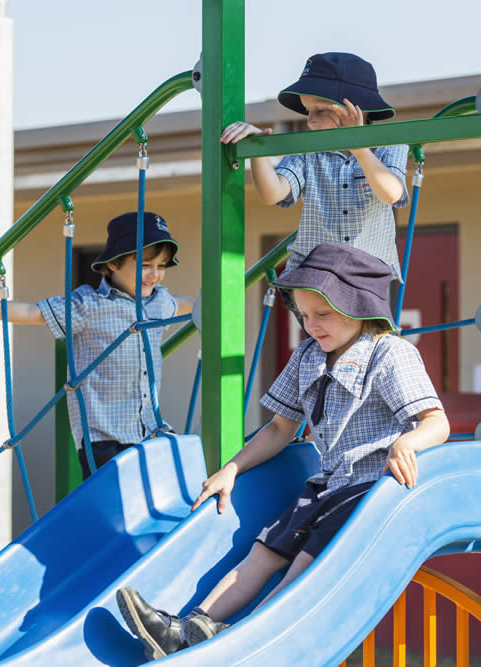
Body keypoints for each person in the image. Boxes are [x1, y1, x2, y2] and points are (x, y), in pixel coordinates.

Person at [115, 242, 449, 659]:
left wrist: (406, 441)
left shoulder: (389, 354)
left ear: (359, 307)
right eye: (305, 316)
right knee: (265, 549)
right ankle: (190, 630)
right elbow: (279, 428)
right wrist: (233, 468)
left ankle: (256, 639)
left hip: (369, 490)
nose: (311, 326)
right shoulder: (309, 355)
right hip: (326, 487)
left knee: (305, 560)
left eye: (322, 315)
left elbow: (436, 423)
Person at [0, 211, 195, 479]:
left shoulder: (159, 302)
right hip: (104, 440)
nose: (154, 275)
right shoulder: (89, 305)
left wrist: (207, 305)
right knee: (114, 513)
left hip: (151, 431)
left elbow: (184, 303)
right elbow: (31, 313)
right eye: (146, 265)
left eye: (161, 267)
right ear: (113, 264)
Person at [220, 52, 410, 319]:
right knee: (330, 336)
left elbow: (390, 193)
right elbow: (273, 192)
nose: (310, 121)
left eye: (320, 111)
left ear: (357, 109)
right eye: (307, 111)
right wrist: (257, 152)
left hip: (366, 276)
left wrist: (360, 149)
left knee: (360, 347)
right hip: (313, 273)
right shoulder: (308, 152)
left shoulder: (389, 146)